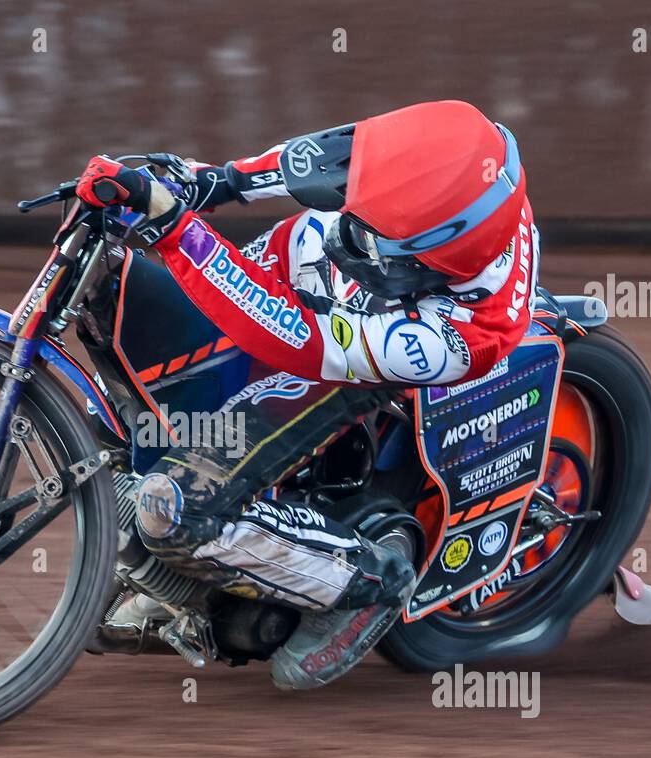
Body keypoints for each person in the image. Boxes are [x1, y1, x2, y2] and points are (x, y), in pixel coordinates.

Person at [74, 100, 539, 690]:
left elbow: (291, 334)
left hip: (347, 349)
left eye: (377, 244)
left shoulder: (451, 338)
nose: (350, 241)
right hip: (336, 294)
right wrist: (211, 182)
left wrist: (176, 230)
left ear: (434, 264)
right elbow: (314, 159)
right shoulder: (444, 153)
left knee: (175, 510)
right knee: (147, 377)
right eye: (360, 218)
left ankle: (371, 584)